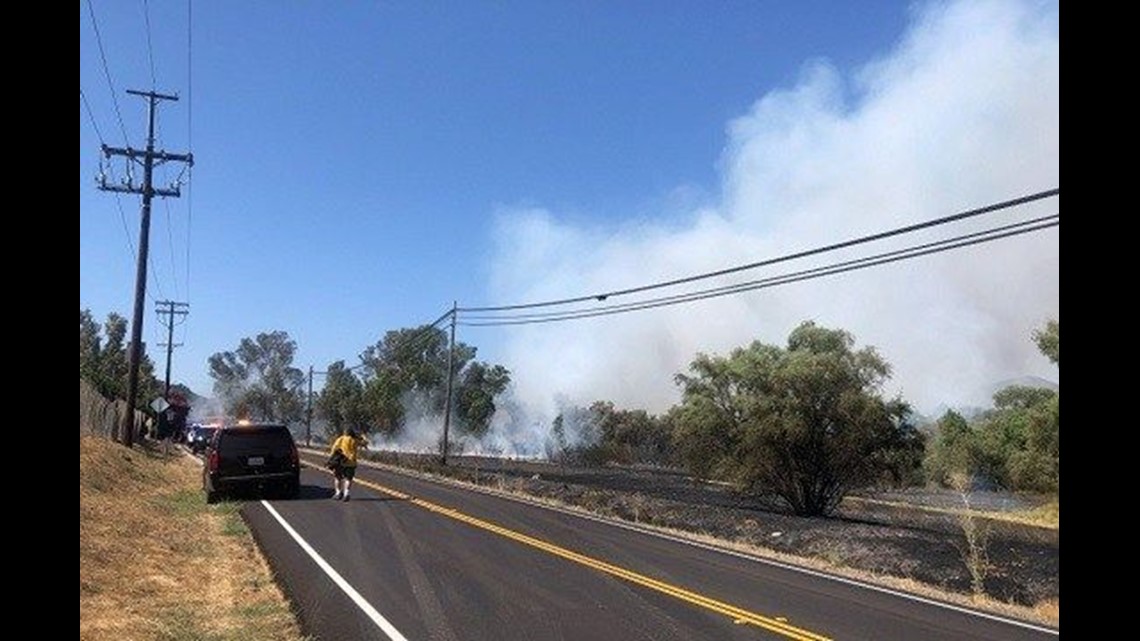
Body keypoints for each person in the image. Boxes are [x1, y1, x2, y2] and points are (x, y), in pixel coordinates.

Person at [329, 428, 367, 501]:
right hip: (351, 463)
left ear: (345, 432)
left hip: (340, 462)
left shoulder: (340, 439)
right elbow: (365, 443)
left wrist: (332, 459)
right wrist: (363, 436)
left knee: (338, 478)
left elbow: (334, 448)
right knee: (348, 479)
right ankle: (346, 494)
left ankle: (338, 493)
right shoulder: (355, 440)